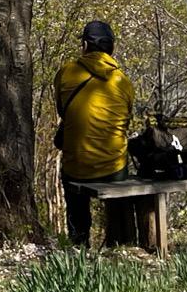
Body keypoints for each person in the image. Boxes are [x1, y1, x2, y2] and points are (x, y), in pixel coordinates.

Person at [54, 19, 135, 247]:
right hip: (113, 167)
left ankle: (79, 242)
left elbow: (63, 110)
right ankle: (121, 243)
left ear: (85, 46)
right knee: (119, 160)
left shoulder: (66, 72)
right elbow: (125, 119)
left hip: (77, 165)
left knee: (73, 188)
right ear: (111, 48)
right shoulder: (123, 81)